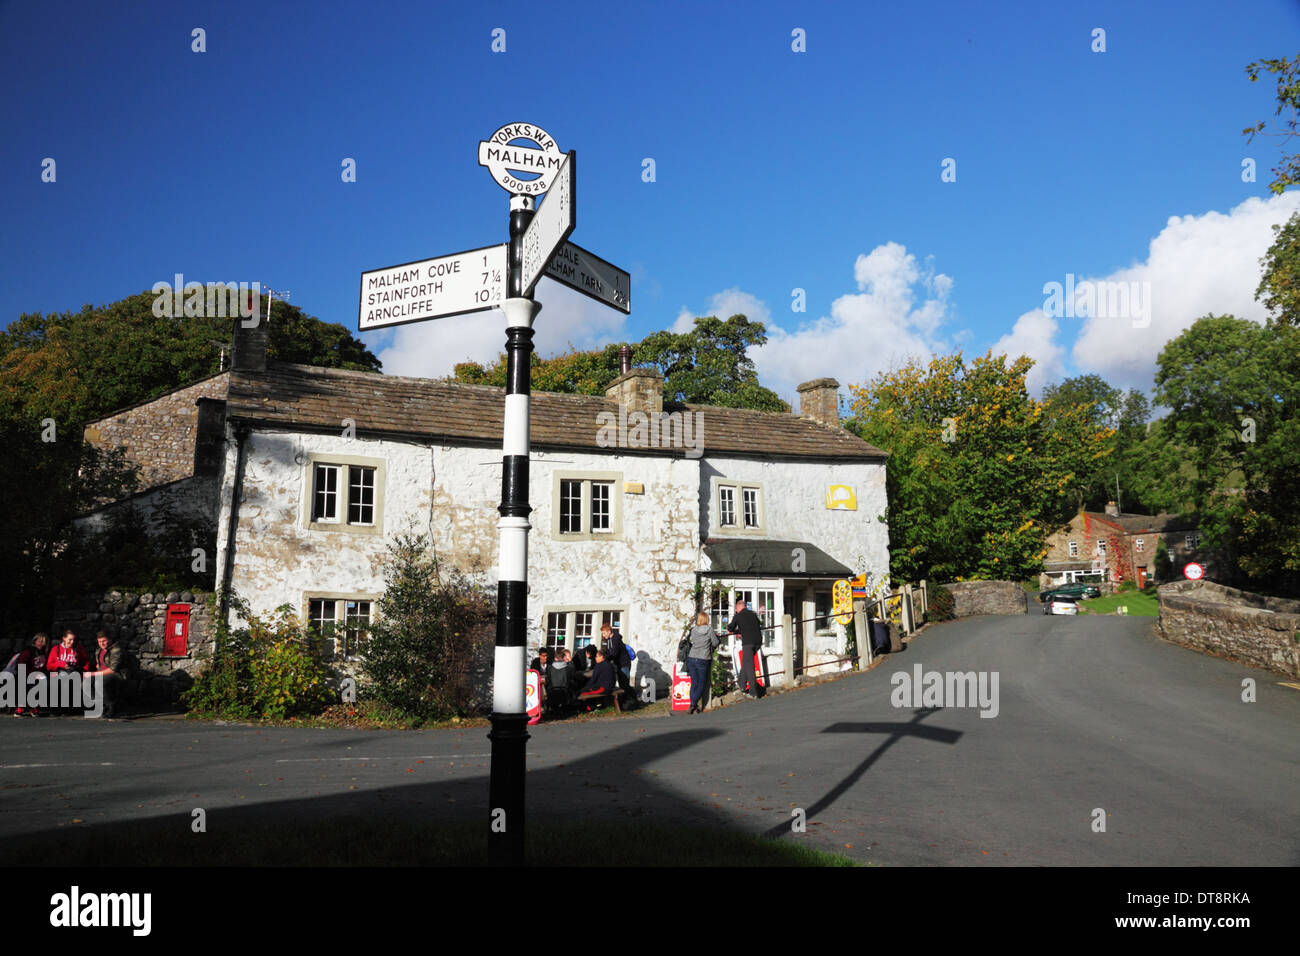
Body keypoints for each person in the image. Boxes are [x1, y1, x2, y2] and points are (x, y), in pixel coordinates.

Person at [726, 599, 765, 698]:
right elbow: (752, 626)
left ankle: (753, 692)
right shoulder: (753, 614)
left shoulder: (738, 615)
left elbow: (730, 627)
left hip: (748, 643)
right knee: (746, 662)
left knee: (750, 667)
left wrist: (730, 630)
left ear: (738, 607)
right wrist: (739, 631)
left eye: (736, 609)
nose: (736, 611)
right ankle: (741, 684)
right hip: (758, 642)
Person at [85, 631, 128, 718]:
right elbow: (99, 665)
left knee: (99, 683)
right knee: (85, 683)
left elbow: (113, 669)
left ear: (109, 640)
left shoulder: (116, 650)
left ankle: (111, 706)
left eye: (104, 641)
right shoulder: (98, 651)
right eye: (100, 642)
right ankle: (101, 705)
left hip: (117, 675)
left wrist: (93, 673)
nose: (102, 644)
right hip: (102, 673)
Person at [8, 632, 49, 716]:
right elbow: (21, 665)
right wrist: (33, 674)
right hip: (25, 674)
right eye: (40, 641)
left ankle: (34, 707)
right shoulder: (28, 652)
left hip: (39, 675)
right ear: (35, 641)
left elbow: (44, 666)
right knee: (25, 684)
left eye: (44, 642)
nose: (42, 644)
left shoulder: (44, 652)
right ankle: (21, 707)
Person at [686, 613, 720, 714]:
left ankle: (693, 705)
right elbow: (715, 643)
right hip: (703, 658)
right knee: (701, 684)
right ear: (706, 619)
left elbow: (691, 641)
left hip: (692, 657)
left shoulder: (693, 630)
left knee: (694, 683)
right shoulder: (709, 630)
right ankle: (693, 704)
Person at [600, 623, 632, 701]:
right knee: (621, 683)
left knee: (624, 683)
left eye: (604, 633)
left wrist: (605, 659)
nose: (603, 635)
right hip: (618, 664)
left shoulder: (616, 639)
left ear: (609, 631)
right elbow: (608, 651)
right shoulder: (609, 640)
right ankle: (624, 700)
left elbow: (614, 653)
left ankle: (630, 700)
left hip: (624, 664)